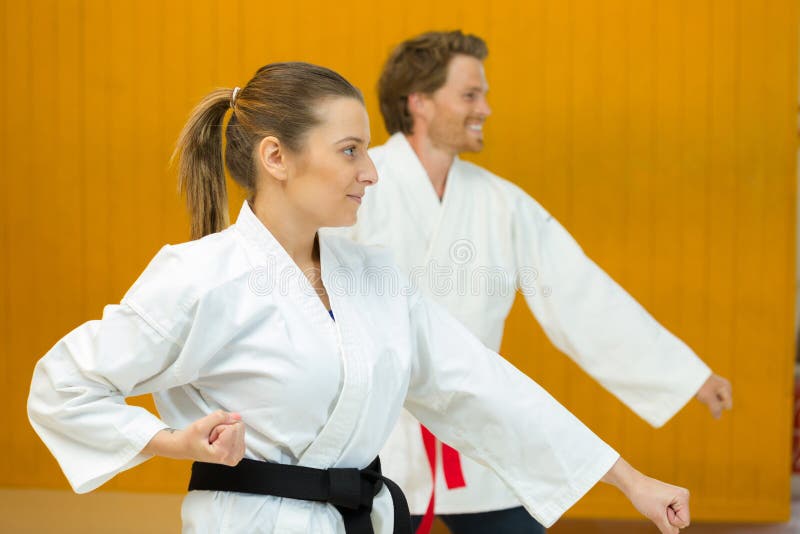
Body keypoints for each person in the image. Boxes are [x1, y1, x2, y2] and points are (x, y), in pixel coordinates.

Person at [28, 62, 692, 534]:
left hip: (364, 518)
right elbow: (63, 386)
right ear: (276, 158)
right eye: (350, 151)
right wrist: (172, 442)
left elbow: (482, 386)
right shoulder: (202, 277)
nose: (370, 172)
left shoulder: (373, 277)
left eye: (367, 151)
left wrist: (630, 481)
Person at [329, 31, 733, 534]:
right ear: (420, 102)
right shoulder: (356, 186)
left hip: (475, 423)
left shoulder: (503, 204)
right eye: (471, 94)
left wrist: (683, 374)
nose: (486, 109)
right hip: (379, 431)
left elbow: (579, 294)